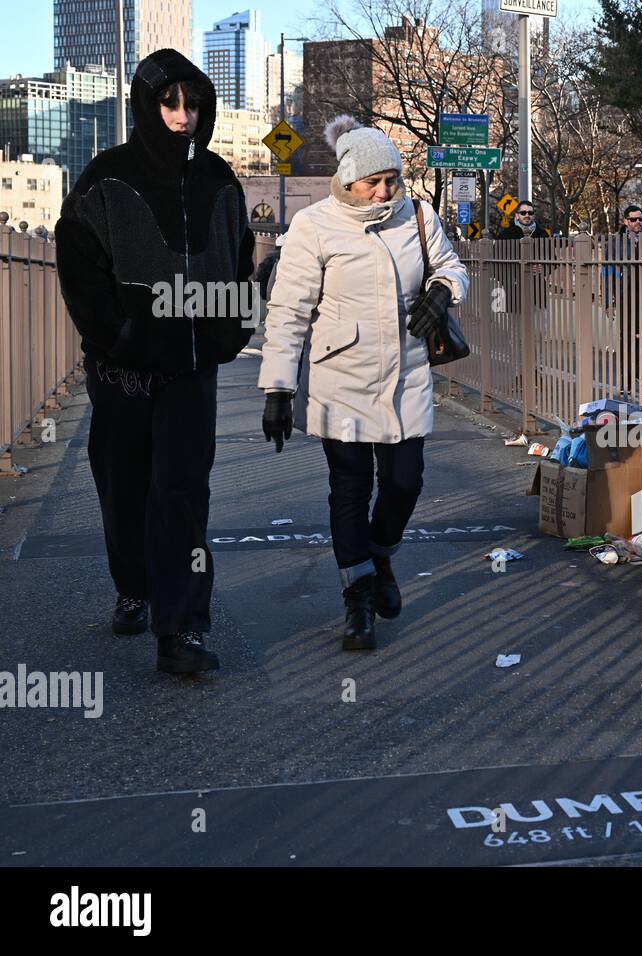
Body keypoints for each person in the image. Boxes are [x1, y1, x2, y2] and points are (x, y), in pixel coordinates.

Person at [55, 49, 254, 675]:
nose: (182, 115)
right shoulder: (105, 177)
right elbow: (77, 265)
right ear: (148, 104)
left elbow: (241, 258)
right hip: (126, 369)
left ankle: (183, 630)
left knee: (183, 492)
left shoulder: (220, 179)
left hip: (192, 367)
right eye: (170, 102)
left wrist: (228, 333)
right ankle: (135, 586)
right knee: (123, 486)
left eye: (192, 103)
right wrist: (117, 335)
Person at [257, 116, 469, 651]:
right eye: (373, 181)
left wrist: (442, 292)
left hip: (408, 368)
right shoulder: (313, 225)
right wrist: (279, 389)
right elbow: (289, 311)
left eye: (391, 179)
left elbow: (451, 265)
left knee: (405, 481)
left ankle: (380, 551)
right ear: (347, 179)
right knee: (349, 488)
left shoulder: (418, 215)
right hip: (340, 376)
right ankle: (358, 599)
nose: (384, 189)